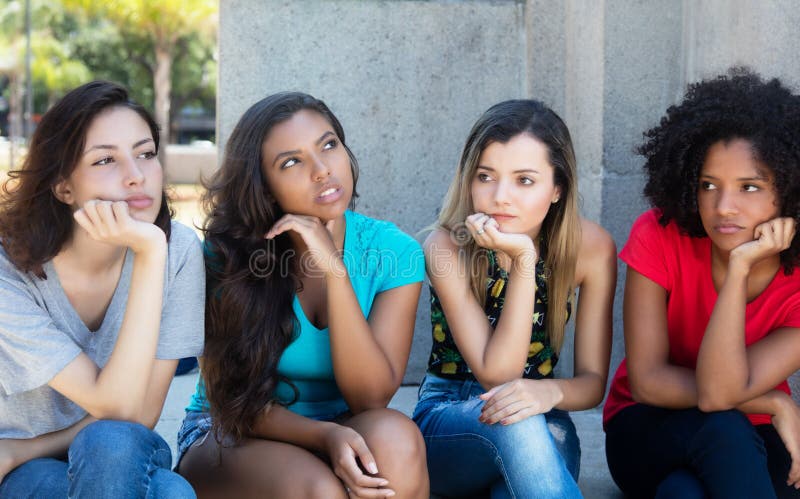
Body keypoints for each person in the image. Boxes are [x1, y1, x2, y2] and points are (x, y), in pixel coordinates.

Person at [176, 92, 429, 498]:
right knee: (318, 489)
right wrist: (323, 436)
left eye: (329, 145)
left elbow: (370, 399)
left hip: (342, 420)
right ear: (264, 186)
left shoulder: (394, 252)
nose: (322, 170)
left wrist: (335, 272)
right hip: (230, 431)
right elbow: (232, 401)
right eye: (291, 162)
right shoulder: (226, 256)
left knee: (397, 440)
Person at [0, 81, 204, 498]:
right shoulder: (9, 271)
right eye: (106, 159)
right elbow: (119, 409)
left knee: (111, 442)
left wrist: (150, 253)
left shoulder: (175, 250)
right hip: (30, 473)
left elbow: (136, 415)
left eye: (145, 154)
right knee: (170, 493)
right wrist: (26, 454)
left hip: (113, 452)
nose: (136, 176)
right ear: (63, 186)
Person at [604, 68, 800, 498]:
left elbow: (721, 392)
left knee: (686, 493)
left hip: (750, 429)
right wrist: (773, 400)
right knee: (722, 429)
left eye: (749, 187)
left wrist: (739, 267)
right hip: (646, 423)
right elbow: (649, 381)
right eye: (708, 185)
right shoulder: (658, 235)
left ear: (789, 191)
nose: (723, 206)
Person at [412, 99, 617, 498]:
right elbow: (499, 375)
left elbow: (592, 383)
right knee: (516, 422)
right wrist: (524, 260)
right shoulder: (445, 247)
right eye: (485, 176)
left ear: (557, 189)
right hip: (449, 416)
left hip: (539, 411)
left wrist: (548, 392)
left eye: (524, 180)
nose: (500, 196)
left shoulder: (591, 248)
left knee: (528, 453)